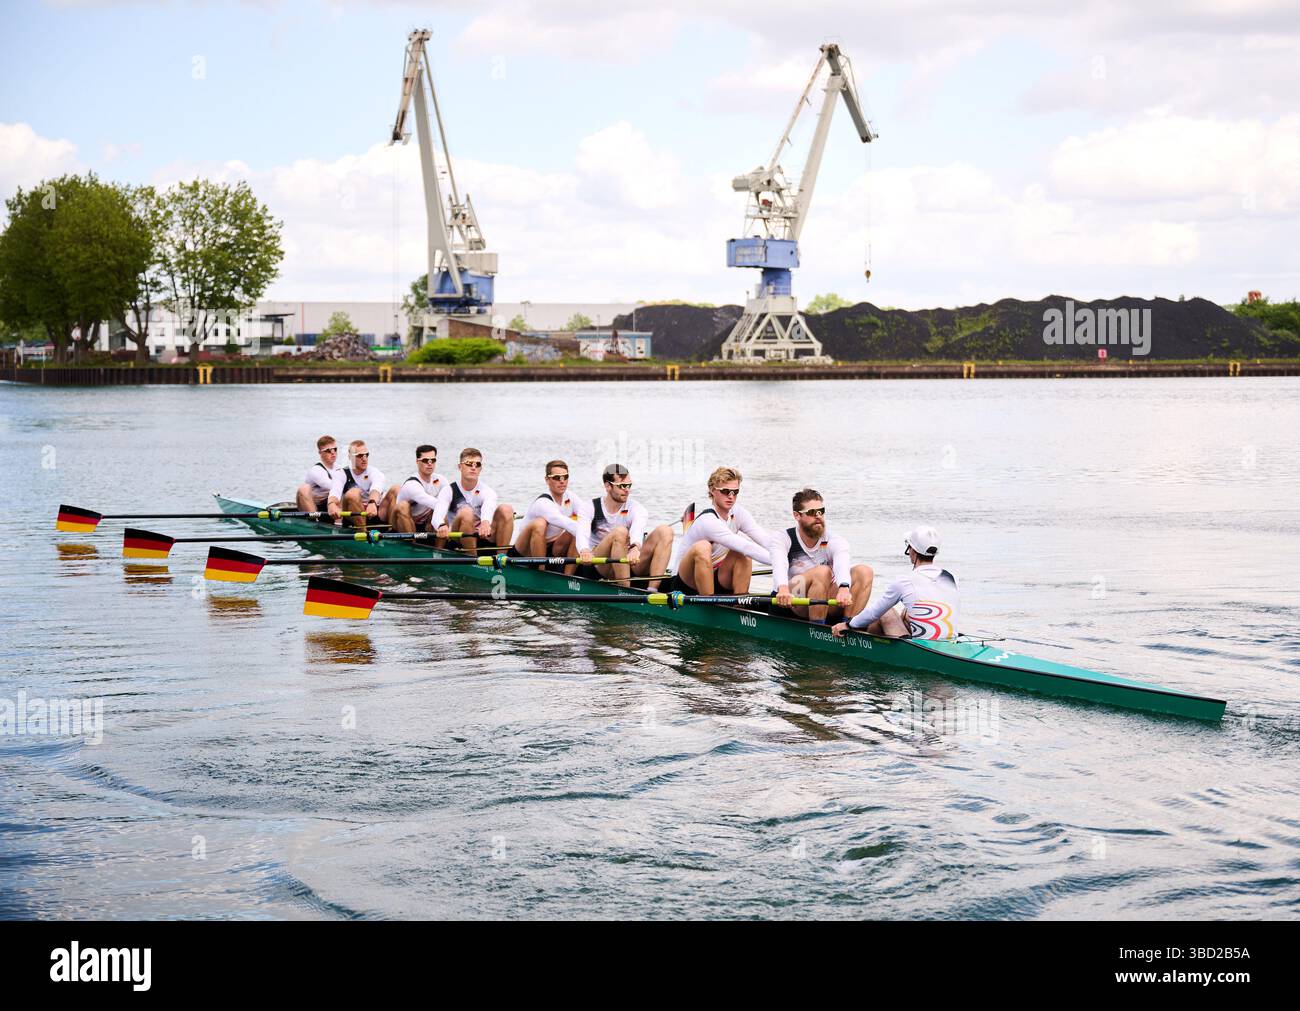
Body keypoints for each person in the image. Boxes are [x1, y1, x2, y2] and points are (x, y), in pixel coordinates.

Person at [832, 526, 960, 640]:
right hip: (950, 642)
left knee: (886, 611)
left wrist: (848, 624)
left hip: (921, 646)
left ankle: (869, 646)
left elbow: (874, 612)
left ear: (913, 550)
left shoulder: (904, 581)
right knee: (906, 612)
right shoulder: (952, 578)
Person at [770, 488, 874, 624]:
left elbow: (842, 563)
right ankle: (817, 629)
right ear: (797, 515)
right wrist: (782, 588)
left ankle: (849, 625)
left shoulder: (833, 540)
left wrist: (844, 587)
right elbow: (779, 565)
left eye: (821, 511)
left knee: (864, 571)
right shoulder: (783, 538)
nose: (818, 516)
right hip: (790, 600)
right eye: (812, 512)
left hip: (822, 599)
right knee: (822, 571)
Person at [675, 466, 772, 594]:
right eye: (725, 491)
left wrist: (791, 557)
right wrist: (778, 563)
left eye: (735, 492)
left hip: (715, 575)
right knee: (703, 547)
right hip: (685, 582)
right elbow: (746, 546)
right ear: (712, 490)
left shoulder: (739, 513)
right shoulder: (708, 521)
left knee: (743, 555)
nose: (731, 497)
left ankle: (740, 605)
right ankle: (708, 606)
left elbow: (765, 540)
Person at [579, 464, 675, 589]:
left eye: (629, 485)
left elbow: (638, 528)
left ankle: (652, 590)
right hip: (599, 565)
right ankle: (625, 590)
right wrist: (584, 550)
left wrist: (635, 547)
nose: (627, 490)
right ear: (608, 486)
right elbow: (582, 532)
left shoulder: (636, 508)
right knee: (620, 532)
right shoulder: (590, 507)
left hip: (628, 561)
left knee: (666, 531)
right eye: (622, 486)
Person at [515, 459, 593, 573]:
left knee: (580, 528)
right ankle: (540, 573)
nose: (562, 481)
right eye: (557, 478)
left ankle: (568, 578)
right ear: (547, 480)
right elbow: (566, 523)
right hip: (525, 551)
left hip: (551, 548)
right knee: (540, 524)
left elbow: (588, 516)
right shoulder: (543, 503)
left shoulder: (570, 497)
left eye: (565, 477)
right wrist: (586, 548)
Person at [434, 447, 515, 552]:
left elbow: (488, 507)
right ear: (460, 467)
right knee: (466, 512)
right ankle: (472, 558)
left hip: (482, 535)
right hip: (457, 538)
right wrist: (441, 525)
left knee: (506, 509)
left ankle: (501, 557)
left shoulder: (487, 491)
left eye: (477, 464)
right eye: (469, 463)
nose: (473, 467)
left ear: (480, 468)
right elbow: (437, 514)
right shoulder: (448, 490)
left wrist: (485, 522)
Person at [328, 440, 388, 529]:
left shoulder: (374, 472)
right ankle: (362, 531)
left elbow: (376, 488)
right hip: (352, 515)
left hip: (374, 511)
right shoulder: (341, 474)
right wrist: (331, 504)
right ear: (350, 457)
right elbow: (335, 492)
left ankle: (403, 537)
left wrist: (372, 502)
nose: (364, 459)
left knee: (396, 490)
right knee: (353, 493)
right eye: (359, 456)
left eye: (366, 455)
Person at [390, 444, 448, 533]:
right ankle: (412, 544)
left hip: (425, 522)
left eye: (433, 460)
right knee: (403, 506)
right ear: (417, 461)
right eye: (425, 460)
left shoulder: (440, 479)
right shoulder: (412, 484)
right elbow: (434, 503)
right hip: (403, 523)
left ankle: (439, 547)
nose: (430, 463)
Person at [296, 435, 342, 517]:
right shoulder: (316, 470)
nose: (333, 453)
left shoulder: (339, 468)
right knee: (304, 488)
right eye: (328, 450)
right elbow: (331, 486)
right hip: (311, 507)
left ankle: (340, 524)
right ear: (320, 453)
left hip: (327, 505)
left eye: (335, 449)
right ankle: (314, 522)